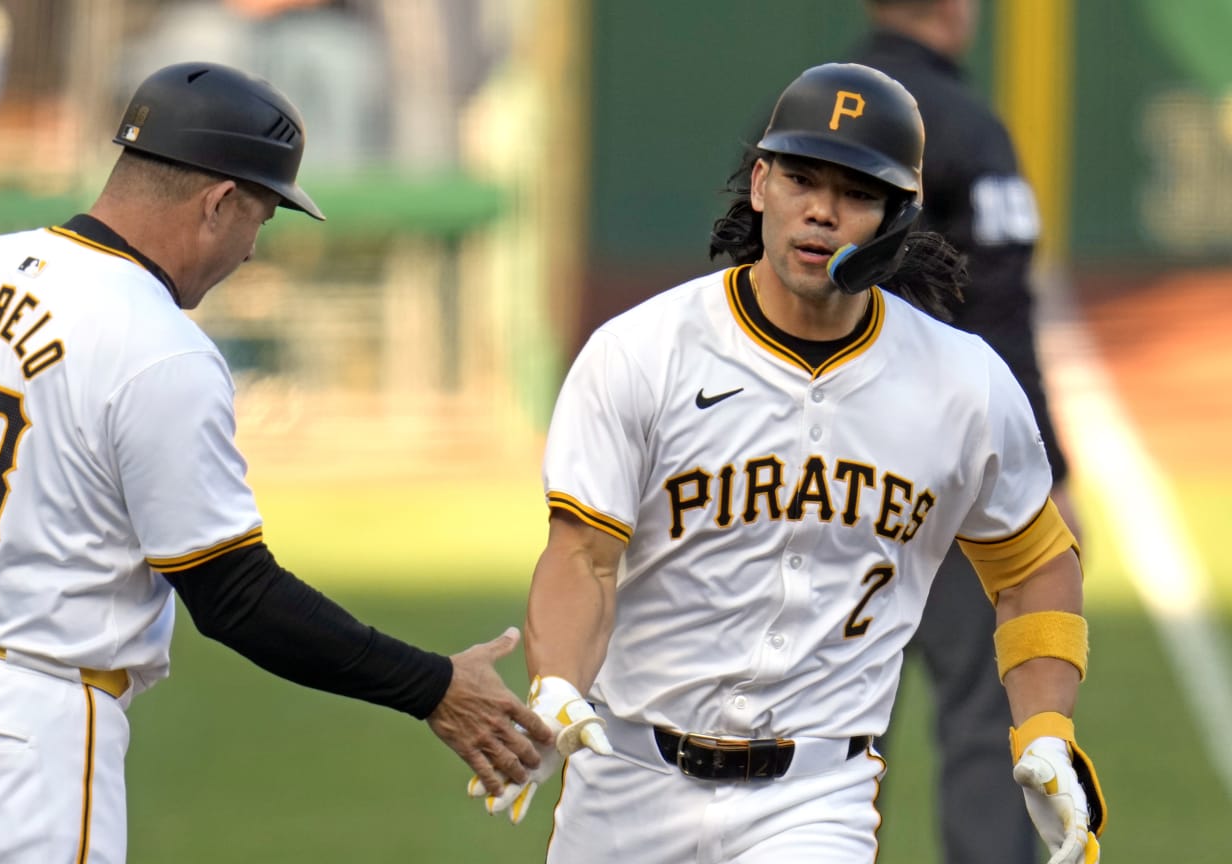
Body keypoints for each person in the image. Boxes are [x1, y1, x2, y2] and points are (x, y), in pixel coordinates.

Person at [0, 62, 553, 862]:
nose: (251, 250)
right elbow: (234, 595)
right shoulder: (161, 348)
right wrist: (431, 686)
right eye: (261, 217)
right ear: (218, 202)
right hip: (18, 735)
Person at [468, 63, 1106, 864]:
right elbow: (583, 558)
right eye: (801, 178)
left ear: (898, 219)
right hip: (625, 784)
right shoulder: (642, 353)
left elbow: (1035, 565)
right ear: (760, 184)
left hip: (814, 799)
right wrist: (558, 686)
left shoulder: (962, 381)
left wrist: (1045, 728)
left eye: (857, 192)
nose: (821, 212)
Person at [848, 2, 1079, 861]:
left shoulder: (801, 116)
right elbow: (1002, 307)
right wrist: (1048, 475)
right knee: (988, 718)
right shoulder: (967, 126)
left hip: (816, 478)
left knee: (815, 729)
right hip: (948, 476)